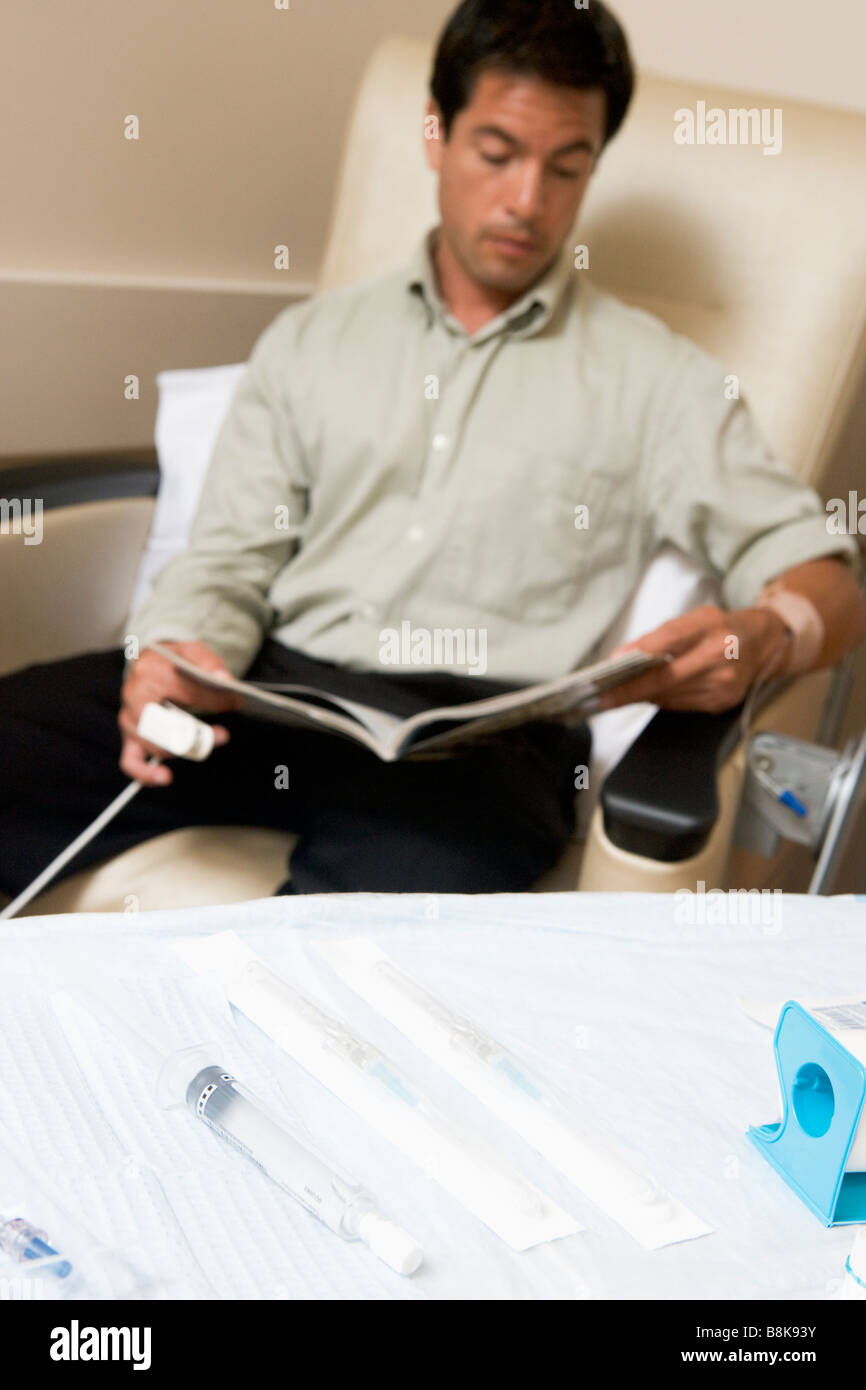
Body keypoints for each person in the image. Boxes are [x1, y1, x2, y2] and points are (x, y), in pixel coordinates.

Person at [0, 0, 862, 902]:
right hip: (276, 695)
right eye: (497, 154)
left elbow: (823, 580)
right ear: (435, 133)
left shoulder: (658, 381)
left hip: (480, 748)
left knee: (371, 928)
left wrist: (765, 636)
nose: (527, 201)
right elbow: (228, 555)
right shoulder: (314, 342)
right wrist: (179, 658)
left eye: (566, 169)